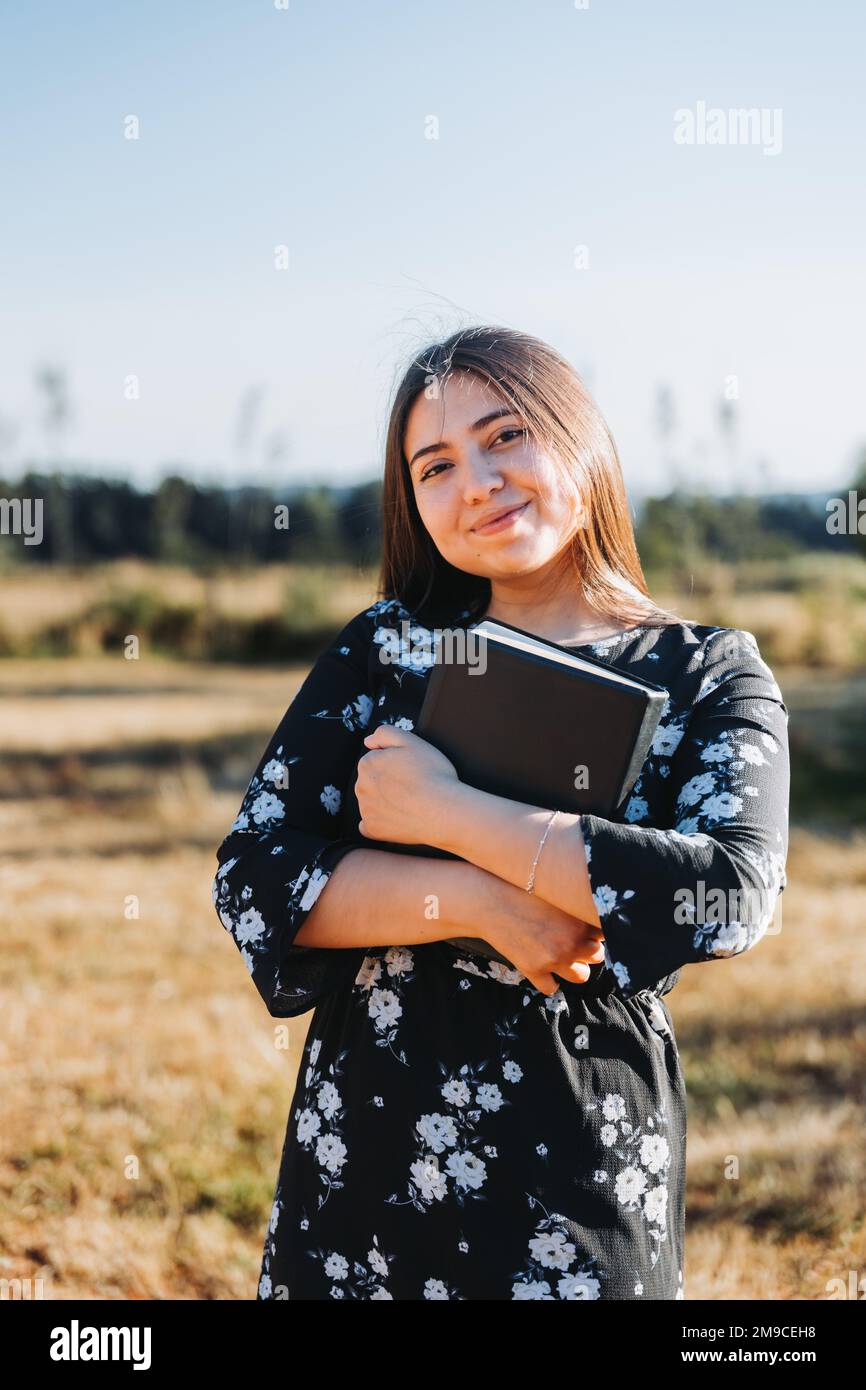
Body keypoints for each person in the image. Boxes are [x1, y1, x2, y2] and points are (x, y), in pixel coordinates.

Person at [211, 325, 790, 1301]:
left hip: (580, 1157)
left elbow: (726, 895)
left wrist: (447, 809)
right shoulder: (385, 649)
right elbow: (256, 878)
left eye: (505, 436)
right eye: (434, 465)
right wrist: (486, 902)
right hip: (365, 1148)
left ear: (578, 439)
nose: (475, 481)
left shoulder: (704, 670)